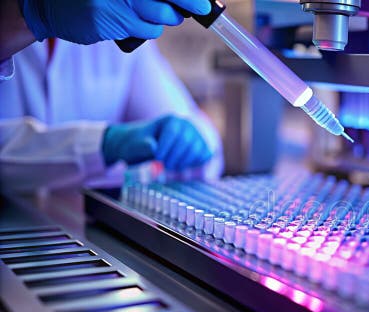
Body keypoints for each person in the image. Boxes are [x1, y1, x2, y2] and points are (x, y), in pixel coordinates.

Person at [0, 0, 223, 193]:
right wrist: (104, 144)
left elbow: (195, 130)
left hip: (84, 224)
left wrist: (192, 139)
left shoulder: (114, 19)